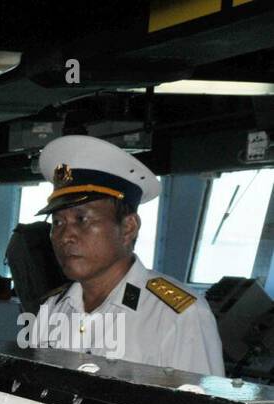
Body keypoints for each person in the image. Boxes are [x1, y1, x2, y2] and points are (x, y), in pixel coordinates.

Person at [28, 135, 224, 375]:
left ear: (129, 227)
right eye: (57, 222)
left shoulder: (177, 315)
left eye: (82, 219)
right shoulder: (53, 309)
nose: (66, 235)